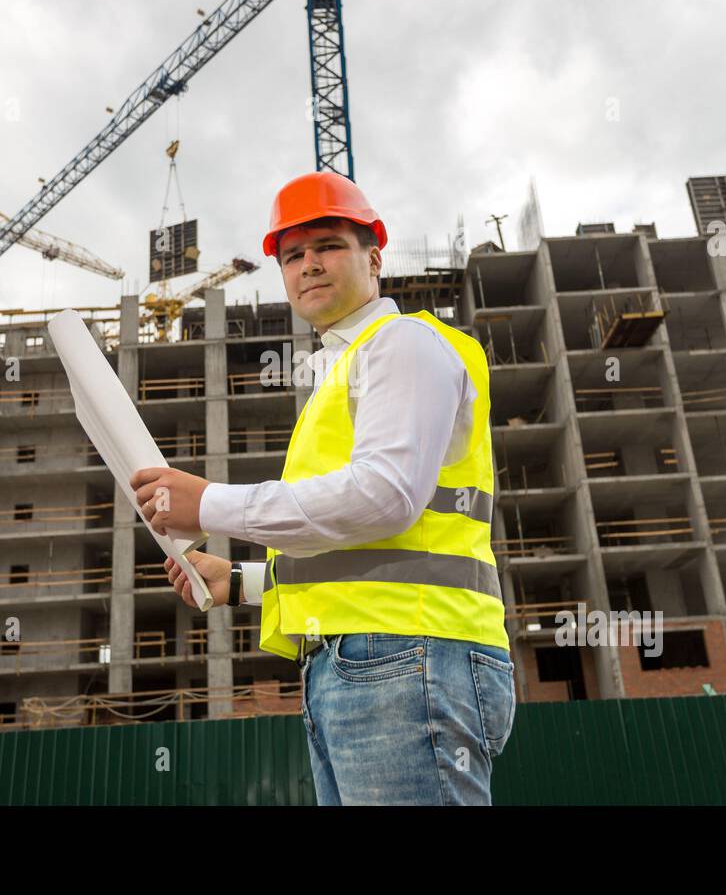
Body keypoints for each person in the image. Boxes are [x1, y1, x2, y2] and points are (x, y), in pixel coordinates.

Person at [130, 171, 515, 805]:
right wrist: (244, 583)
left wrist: (211, 504)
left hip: (408, 657)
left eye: (328, 245)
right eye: (292, 255)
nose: (308, 265)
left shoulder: (404, 344)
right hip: (368, 662)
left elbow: (386, 497)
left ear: (374, 257)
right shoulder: (345, 374)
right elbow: (363, 551)